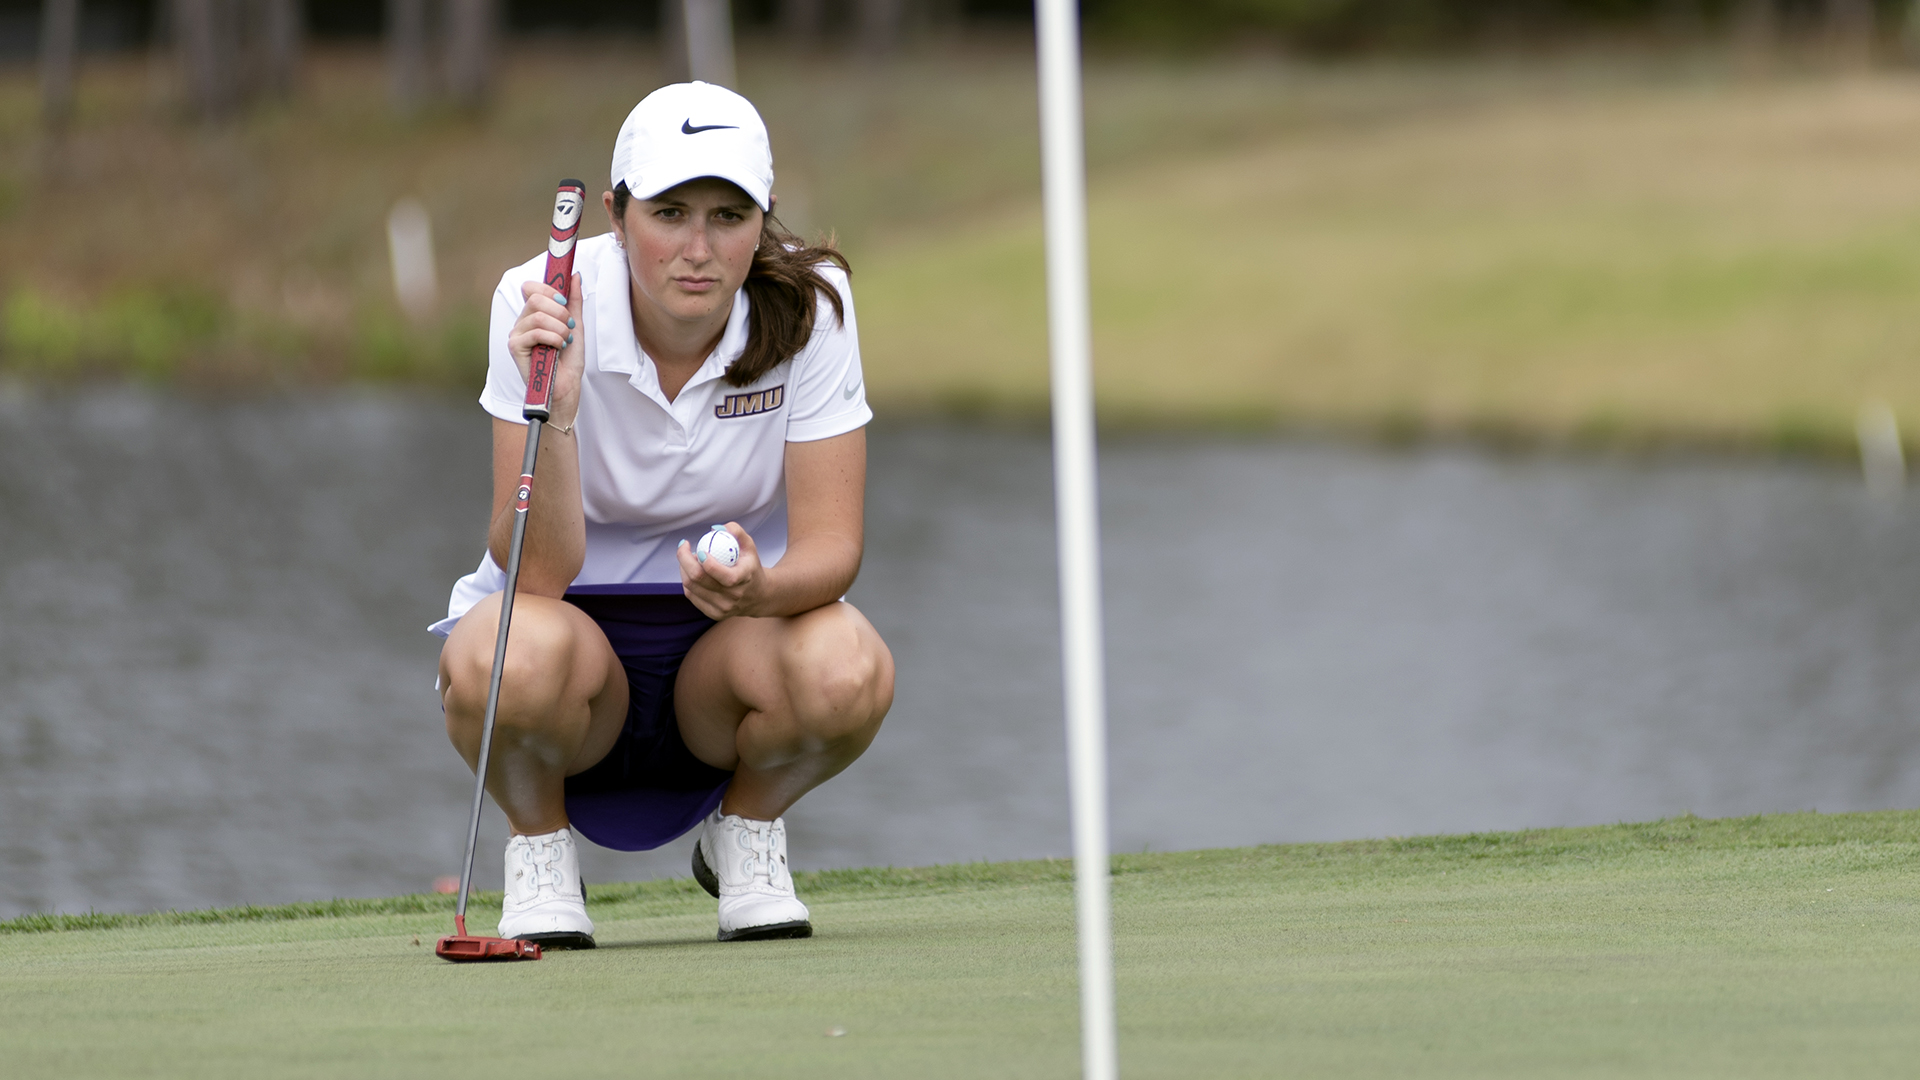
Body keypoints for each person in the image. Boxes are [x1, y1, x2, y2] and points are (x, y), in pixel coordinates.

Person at [429, 81, 894, 948]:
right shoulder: (538, 301)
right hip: (566, 643)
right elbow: (535, 574)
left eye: (728, 215)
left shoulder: (813, 307)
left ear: (766, 217)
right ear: (615, 213)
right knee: (502, 654)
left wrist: (761, 590)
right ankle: (538, 856)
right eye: (669, 212)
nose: (698, 248)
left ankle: (746, 836)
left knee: (848, 667)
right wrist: (558, 410)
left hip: (732, 645)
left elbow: (834, 550)